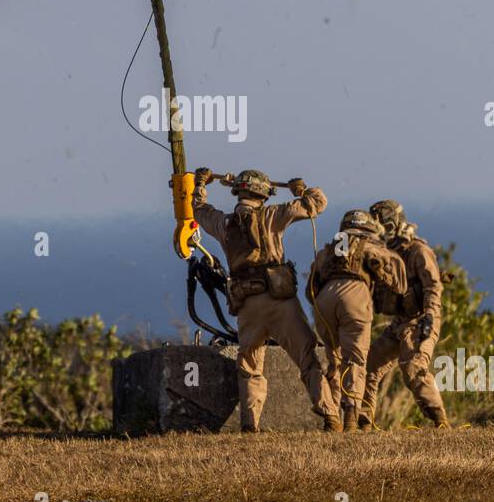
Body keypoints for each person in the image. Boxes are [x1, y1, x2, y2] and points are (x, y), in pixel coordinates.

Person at [192, 168, 340, 432]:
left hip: (246, 306)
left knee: (249, 365)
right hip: (280, 301)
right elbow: (318, 203)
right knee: (307, 358)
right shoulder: (273, 215)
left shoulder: (224, 224)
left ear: (239, 192)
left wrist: (201, 184)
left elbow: (198, 209)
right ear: (263, 195)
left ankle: (250, 425)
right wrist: (300, 189)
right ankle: (330, 416)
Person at [307, 210, 407, 431]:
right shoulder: (370, 244)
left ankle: (331, 416)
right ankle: (351, 416)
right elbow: (400, 284)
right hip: (355, 295)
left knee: (334, 359)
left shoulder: (328, 249)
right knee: (355, 359)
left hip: (323, 301)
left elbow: (310, 289)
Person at [361, 199, 450, 428]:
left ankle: (440, 421)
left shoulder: (418, 251)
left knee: (413, 368)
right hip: (398, 324)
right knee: (368, 367)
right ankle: (363, 420)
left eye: (386, 225)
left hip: (420, 320)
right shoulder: (385, 253)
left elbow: (433, 287)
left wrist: (430, 316)